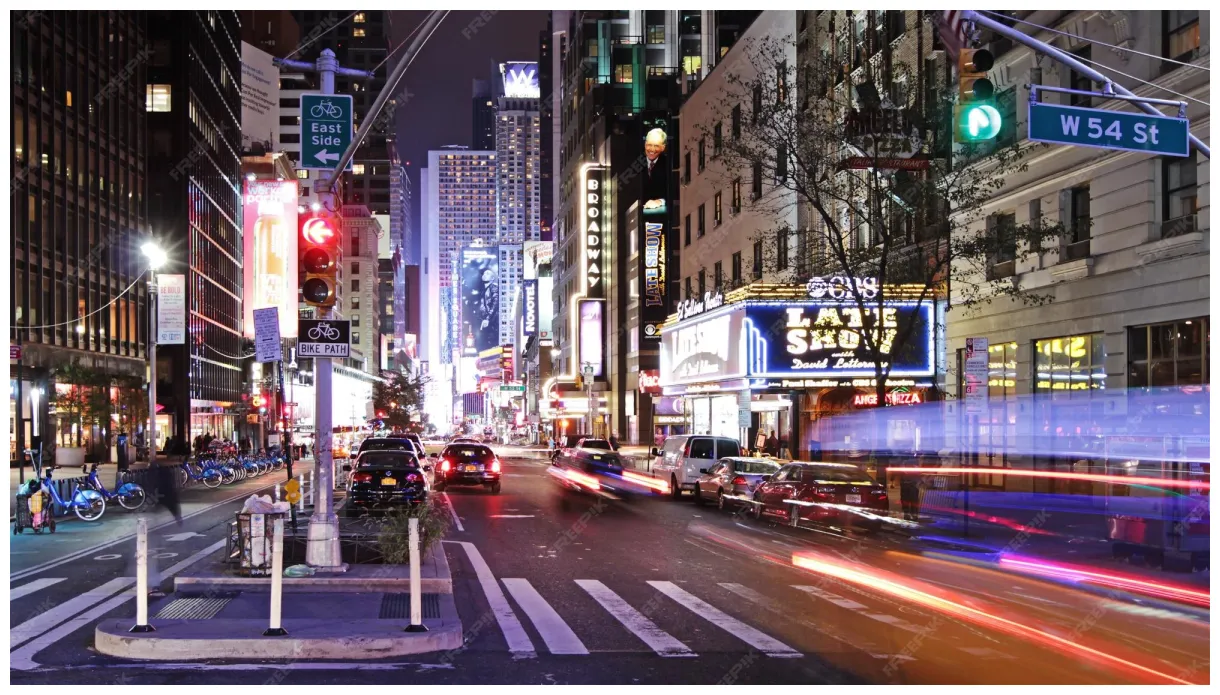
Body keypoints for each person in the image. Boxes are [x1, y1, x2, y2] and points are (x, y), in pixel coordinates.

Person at [641, 127, 669, 216]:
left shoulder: (668, 165)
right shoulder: (634, 163)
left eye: (656, 146)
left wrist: (659, 201)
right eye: (649, 145)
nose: (652, 149)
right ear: (645, 144)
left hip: (657, 216)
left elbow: (674, 193)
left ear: (663, 147)